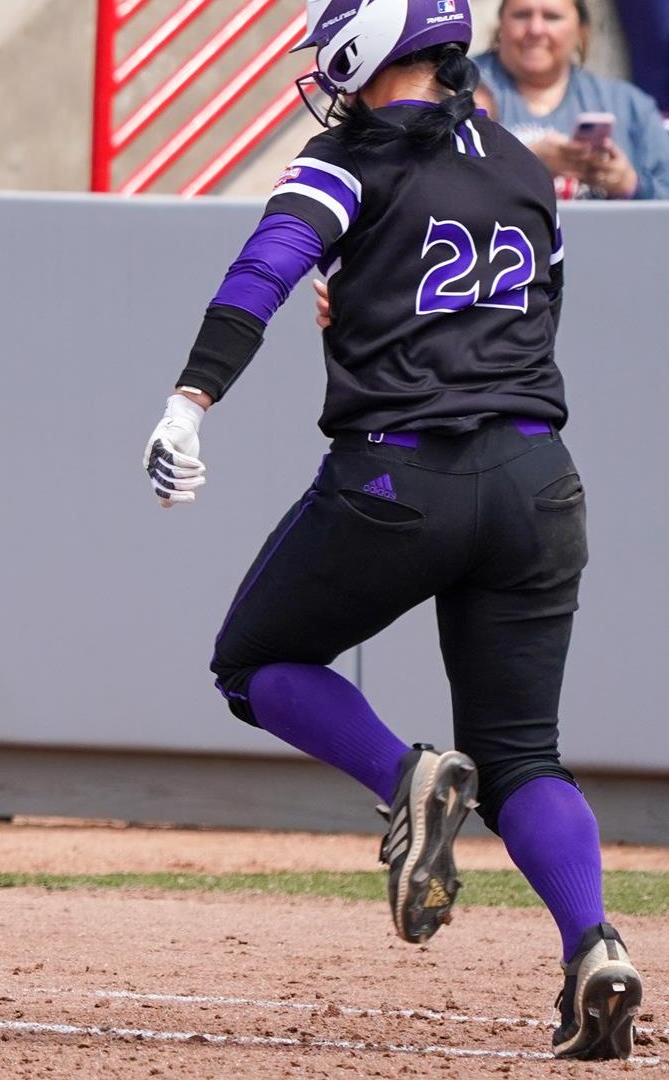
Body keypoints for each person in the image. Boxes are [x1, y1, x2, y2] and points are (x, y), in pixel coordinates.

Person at [143, 0, 642, 1060]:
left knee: (255, 662)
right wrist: (371, 294)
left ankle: (401, 779)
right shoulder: (515, 156)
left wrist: (190, 399)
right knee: (524, 760)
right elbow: (520, 310)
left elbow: (259, 272)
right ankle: (593, 946)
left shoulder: (344, 157)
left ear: (363, 55)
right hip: (534, 480)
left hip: (400, 479)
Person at [471, 0, 669, 198]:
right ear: (500, 24)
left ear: (581, 30)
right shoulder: (461, 88)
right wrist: (526, 164)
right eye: (522, 15)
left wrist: (630, 185)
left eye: (552, 17)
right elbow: (446, 186)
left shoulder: (629, 105)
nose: (536, 29)